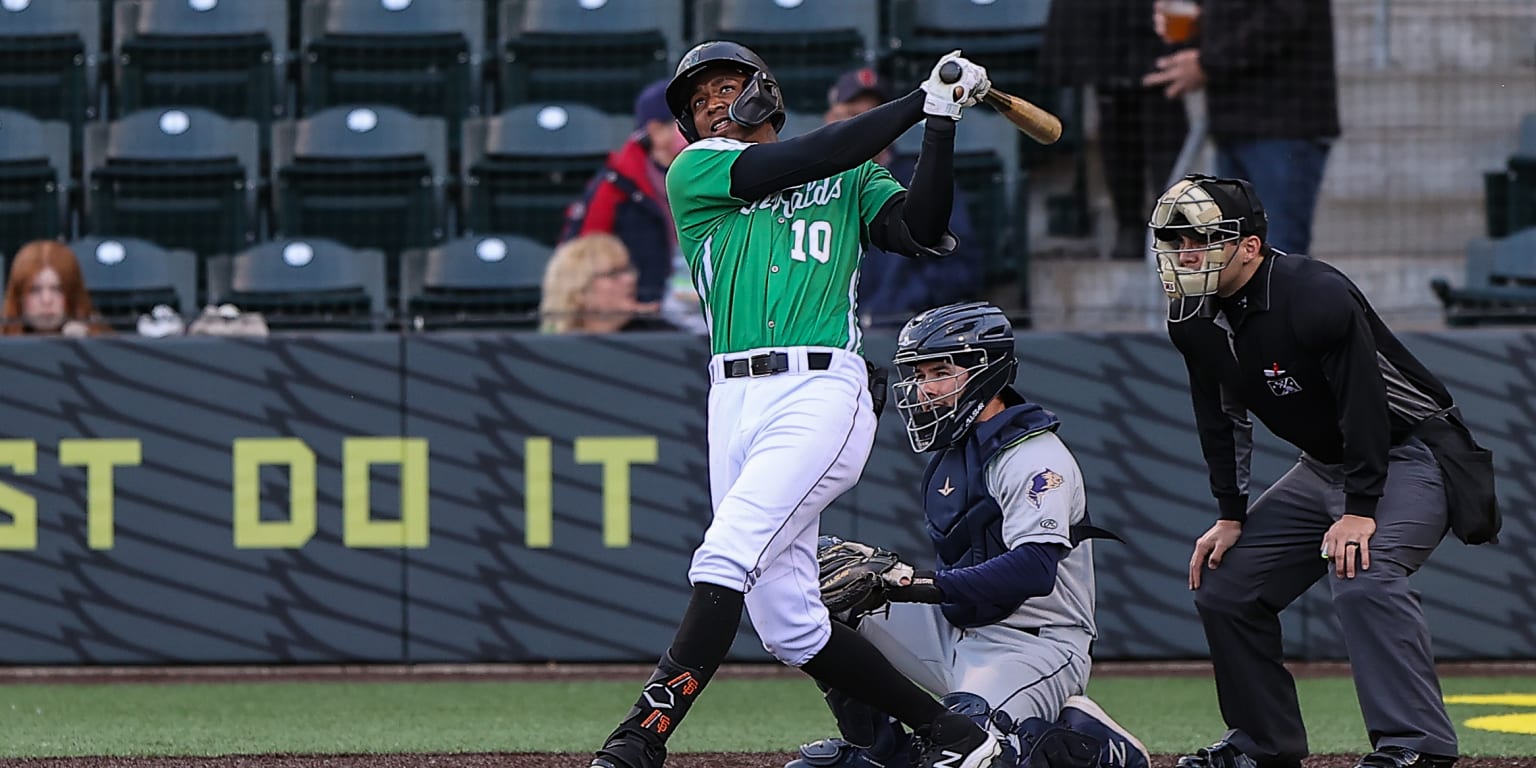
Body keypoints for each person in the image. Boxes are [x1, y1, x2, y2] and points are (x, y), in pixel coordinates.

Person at [590, 41, 1004, 768]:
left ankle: (641, 737)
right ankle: (957, 738)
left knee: (727, 551)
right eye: (698, 101)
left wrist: (940, 121)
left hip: (821, 386)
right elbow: (795, 161)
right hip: (732, 395)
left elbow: (923, 227)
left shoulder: (849, 174)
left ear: (765, 90)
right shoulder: (698, 168)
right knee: (786, 623)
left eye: (726, 86)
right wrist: (920, 99)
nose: (713, 103)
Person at [1151, 174, 1478, 768]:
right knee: (1226, 587)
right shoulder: (1189, 316)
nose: (1183, 254)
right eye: (1173, 240)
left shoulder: (1315, 293)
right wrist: (1230, 515)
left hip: (1412, 453)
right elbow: (1219, 419)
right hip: (1323, 466)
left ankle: (1417, 747)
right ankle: (1263, 745)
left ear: (1248, 246)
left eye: (1199, 238)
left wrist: (1359, 510)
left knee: (1365, 571)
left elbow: (1367, 407)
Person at [785, 301, 1150, 768]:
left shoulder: (1035, 458)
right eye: (918, 374)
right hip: (956, 628)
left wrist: (907, 582)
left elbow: (1034, 570)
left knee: (967, 758)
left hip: (1035, 641)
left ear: (985, 371)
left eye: (939, 371)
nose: (923, 389)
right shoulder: (957, 451)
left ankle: (1094, 749)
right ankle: (881, 751)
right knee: (806, 586)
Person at [1142, 0, 1339, 256]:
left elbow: (1279, 20)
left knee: (1274, 259)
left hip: (1283, 124)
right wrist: (1201, 24)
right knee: (1239, 261)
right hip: (1237, 126)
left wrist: (1207, 62)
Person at [822, 68, 984, 325]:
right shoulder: (811, 186)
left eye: (870, 118)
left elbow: (961, 267)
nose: (860, 128)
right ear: (829, 121)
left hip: (905, 331)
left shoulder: (925, 180)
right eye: (850, 117)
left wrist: (904, 305)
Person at [1039, 0, 1189, 259]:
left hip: (1157, 27)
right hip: (1105, 23)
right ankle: (1128, 224)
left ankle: (1172, 225)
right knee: (1113, 109)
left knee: (1163, 108)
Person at [560, 79, 699, 330]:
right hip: (640, 326)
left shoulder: (713, 173)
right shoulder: (616, 185)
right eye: (688, 120)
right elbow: (579, 262)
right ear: (657, 131)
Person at [539, 233, 674, 333]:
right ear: (579, 290)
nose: (630, 279)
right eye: (614, 273)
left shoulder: (660, 336)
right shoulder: (548, 350)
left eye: (628, 270)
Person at [1, 240, 109, 337]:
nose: (46, 300)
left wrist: (85, 346)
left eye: (58, 289)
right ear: (19, 296)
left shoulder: (103, 344)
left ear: (72, 293)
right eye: (34, 290)